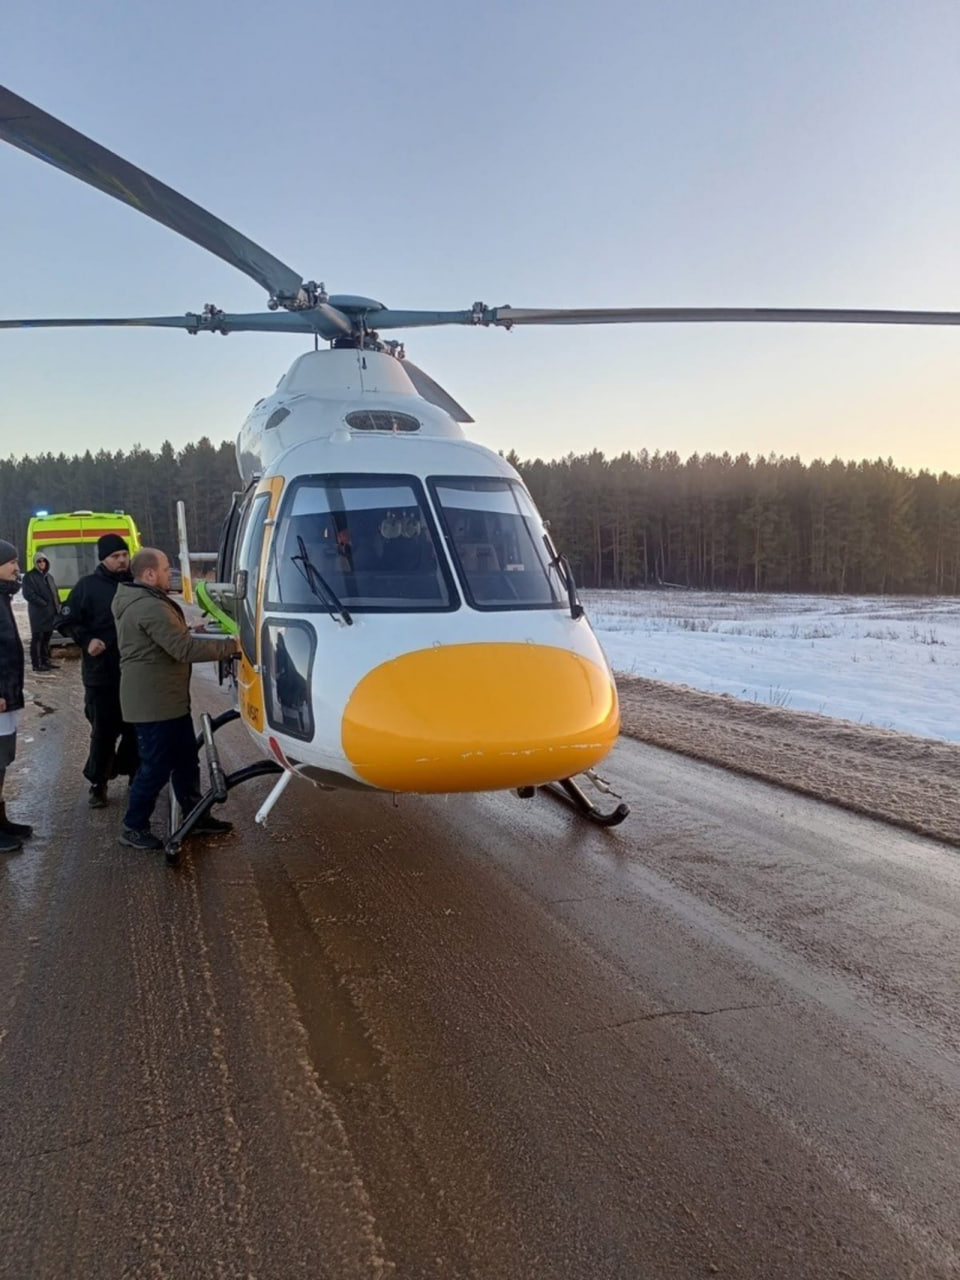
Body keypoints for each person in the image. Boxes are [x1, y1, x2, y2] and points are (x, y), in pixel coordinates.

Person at [113, 547, 240, 851]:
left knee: (185, 759)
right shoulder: (148, 606)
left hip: (166, 700)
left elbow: (168, 639)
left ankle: (196, 815)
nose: (169, 573)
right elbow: (182, 650)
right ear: (149, 574)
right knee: (155, 766)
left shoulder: (145, 600)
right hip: (153, 703)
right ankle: (133, 826)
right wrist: (232, 646)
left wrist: (189, 630)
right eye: (166, 567)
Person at [57, 533, 140, 807]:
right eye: (115, 556)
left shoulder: (136, 584)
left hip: (134, 670)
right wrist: (86, 639)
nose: (122, 560)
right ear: (103, 558)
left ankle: (133, 773)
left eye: (124, 555)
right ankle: (98, 782)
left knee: (135, 727)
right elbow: (65, 620)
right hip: (101, 673)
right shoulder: (87, 587)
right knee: (104, 730)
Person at [0, 540, 33, 853]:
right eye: (11, 562)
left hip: (7, 694)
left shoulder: (3, 597)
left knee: (3, 758)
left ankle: (1, 820)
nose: (16, 567)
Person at [21, 552, 60, 673]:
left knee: (47, 638)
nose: (42, 563)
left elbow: (55, 593)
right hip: (38, 613)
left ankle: (45, 661)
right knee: (38, 637)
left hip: (50, 613)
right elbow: (28, 594)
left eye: (44, 561)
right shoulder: (30, 576)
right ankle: (36, 664)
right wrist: (42, 603)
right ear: (35, 563)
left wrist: (57, 605)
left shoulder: (49, 577)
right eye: (39, 561)